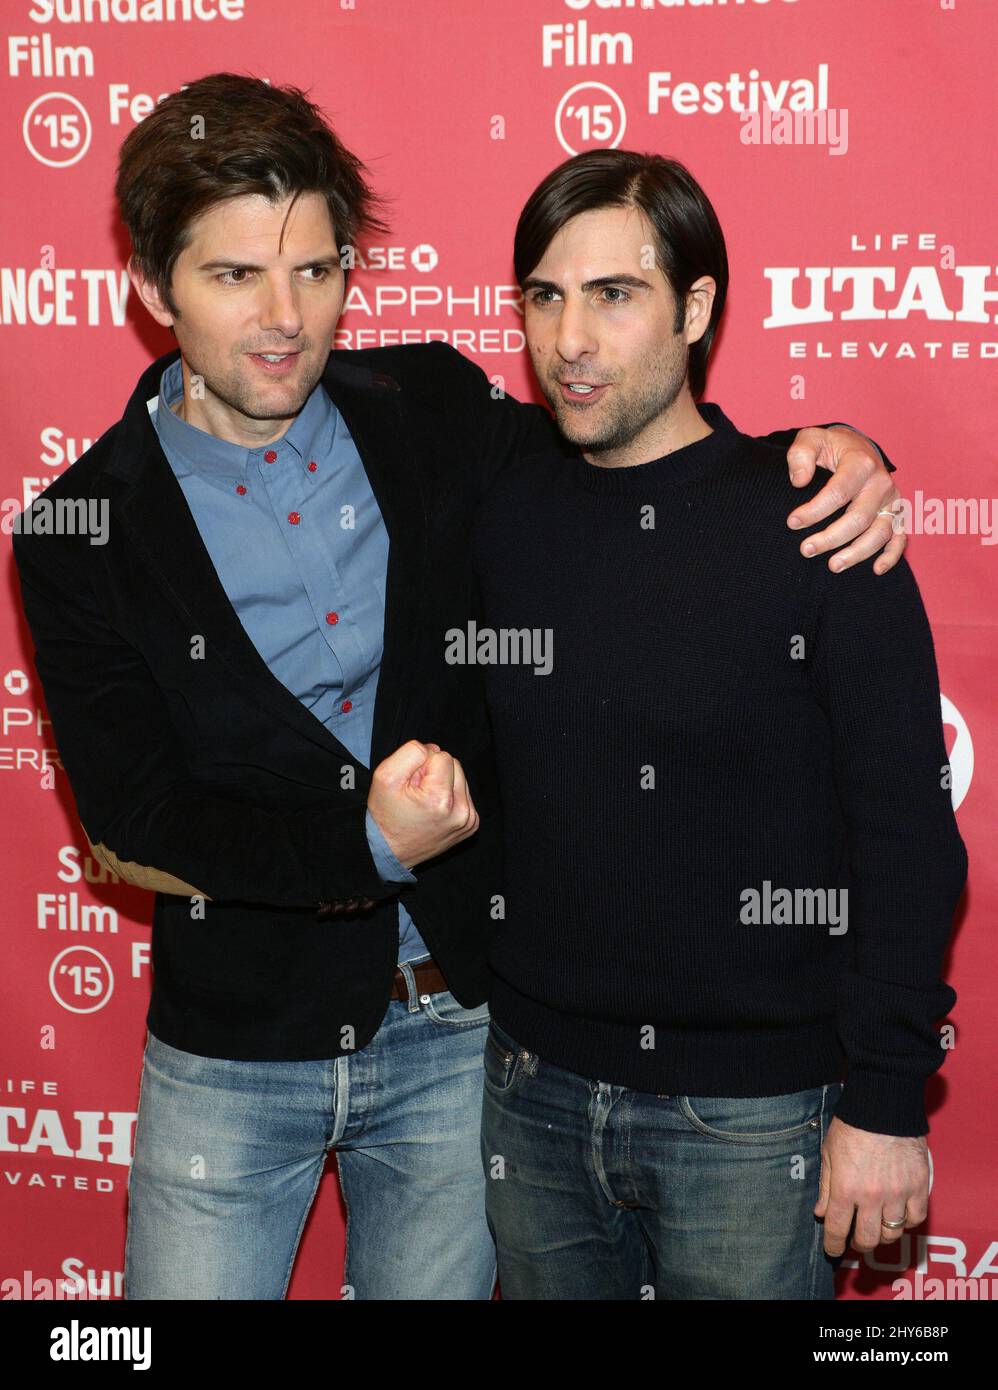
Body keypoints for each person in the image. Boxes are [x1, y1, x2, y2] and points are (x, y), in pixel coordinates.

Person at [12, 73, 902, 1300]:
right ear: (153, 290)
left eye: (316, 271)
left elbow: (628, 450)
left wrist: (835, 457)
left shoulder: (427, 406)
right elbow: (135, 821)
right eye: (233, 278)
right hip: (233, 1043)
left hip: (465, 1040)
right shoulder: (78, 531)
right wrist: (363, 843)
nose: (285, 319)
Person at [476, 149, 967, 1300]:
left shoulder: (817, 522)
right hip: (525, 1094)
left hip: (749, 1122)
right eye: (544, 296)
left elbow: (904, 832)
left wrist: (888, 1099)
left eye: (614, 294)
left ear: (695, 307)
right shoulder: (496, 503)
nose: (570, 341)